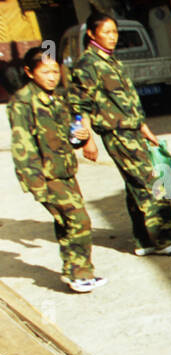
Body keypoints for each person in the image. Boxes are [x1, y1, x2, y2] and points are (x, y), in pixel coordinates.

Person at [69, 11, 171, 257]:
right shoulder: (87, 64)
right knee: (150, 181)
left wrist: (145, 128)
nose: (113, 37)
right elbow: (80, 106)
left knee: (136, 184)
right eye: (107, 32)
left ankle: (145, 241)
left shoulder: (111, 61)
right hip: (116, 132)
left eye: (115, 32)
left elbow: (128, 101)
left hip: (131, 129)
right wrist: (87, 139)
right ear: (92, 33)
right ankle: (163, 240)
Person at [7, 47, 105, 293]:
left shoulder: (56, 99)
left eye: (55, 71)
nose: (52, 77)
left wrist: (79, 138)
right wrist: (36, 184)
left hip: (64, 172)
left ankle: (74, 272)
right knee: (79, 220)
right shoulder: (22, 102)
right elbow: (23, 147)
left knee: (66, 223)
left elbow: (66, 137)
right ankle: (81, 273)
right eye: (45, 72)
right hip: (46, 175)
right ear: (30, 72)